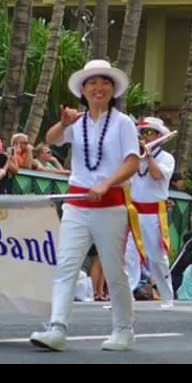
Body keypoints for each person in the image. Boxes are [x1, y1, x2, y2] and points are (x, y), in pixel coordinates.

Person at [30, 60, 142, 352]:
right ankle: (57, 327)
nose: (98, 88)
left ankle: (123, 329)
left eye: (104, 82)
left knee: (114, 270)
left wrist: (107, 183)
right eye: (92, 83)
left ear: (113, 89)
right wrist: (63, 124)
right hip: (77, 204)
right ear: (83, 89)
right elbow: (51, 140)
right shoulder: (76, 122)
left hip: (111, 204)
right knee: (66, 265)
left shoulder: (123, 122)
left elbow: (133, 161)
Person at [124, 116, 176, 308]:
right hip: (133, 212)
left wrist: (148, 156)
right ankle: (125, 297)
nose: (144, 137)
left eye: (148, 133)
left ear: (158, 136)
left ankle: (167, 296)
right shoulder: (134, 158)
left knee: (157, 258)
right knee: (129, 256)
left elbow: (156, 175)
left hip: (154, 214)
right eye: (142, 133)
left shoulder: (167, 158)